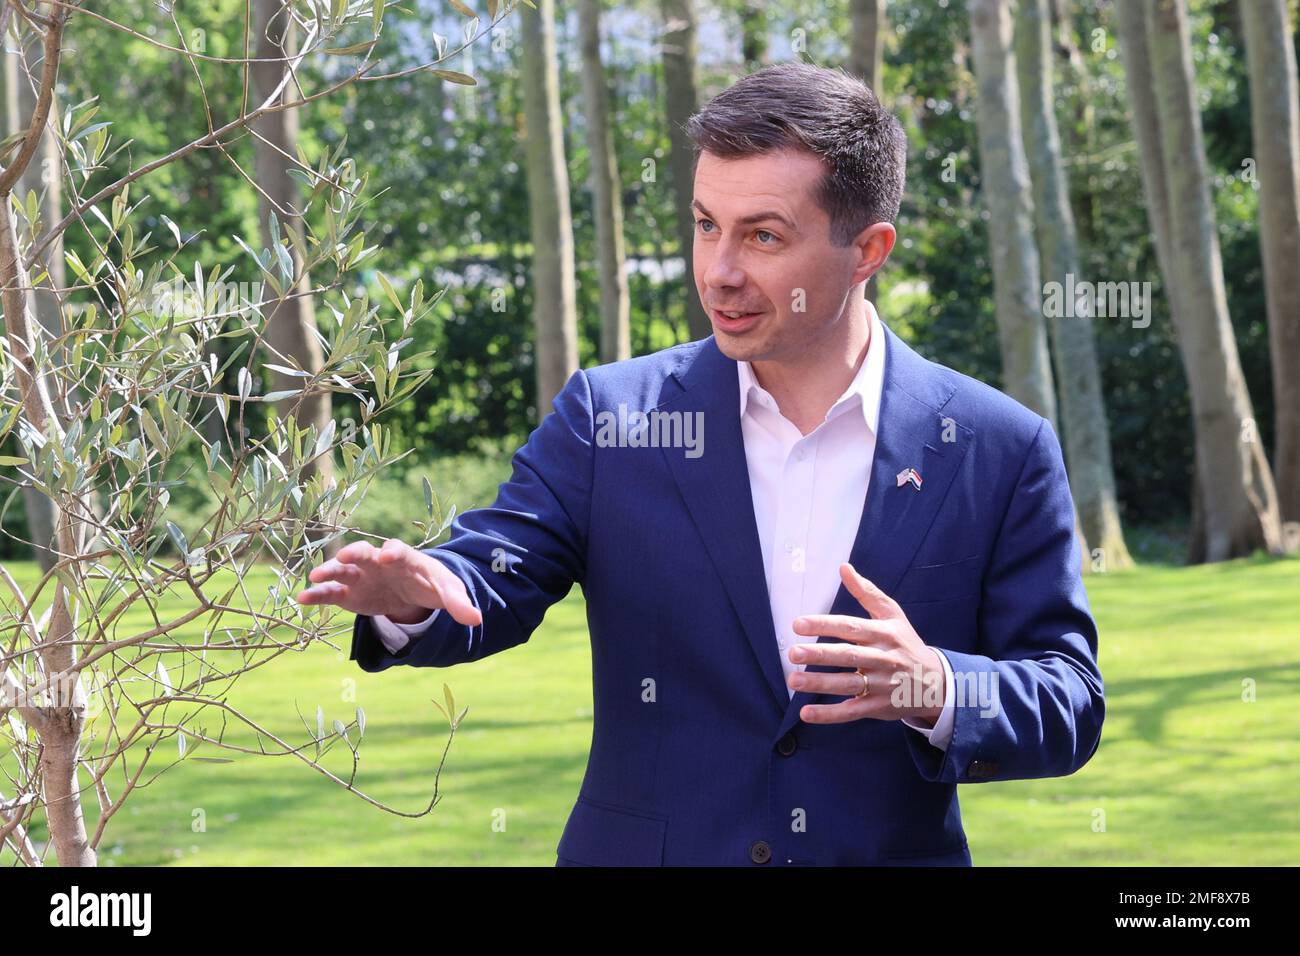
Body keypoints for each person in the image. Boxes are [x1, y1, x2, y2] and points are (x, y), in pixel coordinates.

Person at [296, 61, 1104, 866]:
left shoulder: (997, 447)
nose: (719, 271)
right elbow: (495, 570)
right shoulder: (612, 418)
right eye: (706, 224)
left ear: (867, 250)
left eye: (763, 236)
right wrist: (422, 596)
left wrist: (931, 684)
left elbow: (1068, 699)